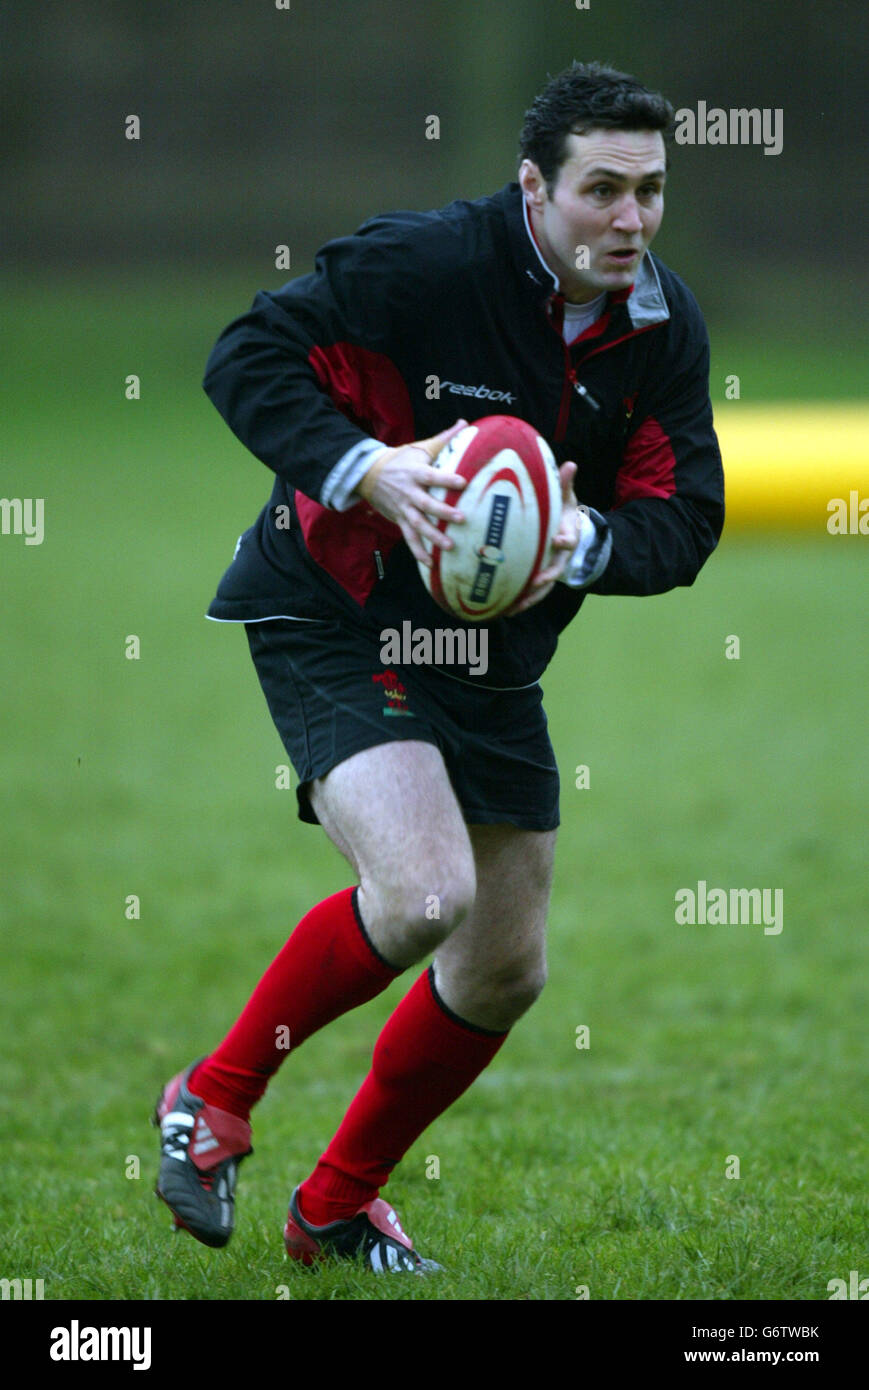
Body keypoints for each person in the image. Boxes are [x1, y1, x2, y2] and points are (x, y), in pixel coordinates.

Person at [153, 60, 724, 1274]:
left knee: (505, 966)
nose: (630, 221)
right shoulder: (427, 263)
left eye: (652, 191)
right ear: (533, 185)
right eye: (602, 190)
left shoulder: (661, 325)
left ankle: (336, 1206)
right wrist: (367, 469)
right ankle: (210, 1099)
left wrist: (585, 543)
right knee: (421, 892)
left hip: (490, 654)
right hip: (334, 604)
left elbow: (687, 520)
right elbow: (245, 356)